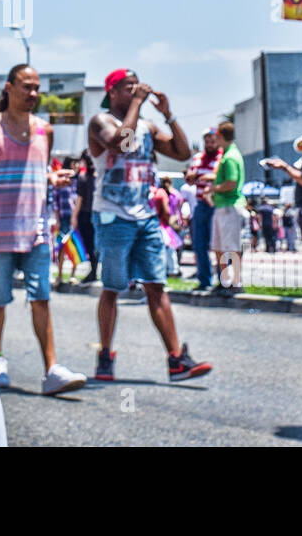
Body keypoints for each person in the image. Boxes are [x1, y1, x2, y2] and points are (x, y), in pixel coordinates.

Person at [88, 68, 210, 382]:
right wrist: (137, 104)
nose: (136, 91)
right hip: (113, 216)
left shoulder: (147, 126)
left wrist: (169, 115)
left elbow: (183, 153)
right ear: (112, 92)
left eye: (137, 87)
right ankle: (105, 354)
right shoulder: (101, 122)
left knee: (156, 285)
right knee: (113, 287)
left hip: (144, 217)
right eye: (128, 88)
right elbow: (121, 144)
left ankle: (176, 359)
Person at [0, 65, 86, 396]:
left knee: (41, 298)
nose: (33, 93)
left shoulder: (45, 130)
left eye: (36, 88)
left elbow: (38, 169)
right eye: (27, 87)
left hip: (37, 229)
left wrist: (51, 179)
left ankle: (51, 369)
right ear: (9, 88)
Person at [209, 121, 247, 294]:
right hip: (224, 206)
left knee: (230, 247)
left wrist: (213, 188)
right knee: (221, 247)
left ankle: (235, 282)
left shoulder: (230, 157)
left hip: (229, 206)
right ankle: (226, 281)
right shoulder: (230, 154)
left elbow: (231, 183)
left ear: (221, 136)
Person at [181, 129, 221, 287]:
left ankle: (223, 280)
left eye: (212, 141)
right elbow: (190, 178)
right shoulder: (197, 158)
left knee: (218, 244)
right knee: (198, 243)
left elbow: (218, 176)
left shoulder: (221, 157)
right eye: (207, 141)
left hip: (216, 204)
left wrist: (200, 176)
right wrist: (191, 177)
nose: (209, 144)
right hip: (200, 204)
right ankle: (204, 279)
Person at [72, 152, 99, 283]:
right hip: (97, 215)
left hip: (85, 215)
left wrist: (74, 216)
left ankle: (93, 272)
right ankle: (93, 271)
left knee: (89, 245)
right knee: (94, 244)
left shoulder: (83, 178)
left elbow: (79, 199)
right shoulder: (98, 178)